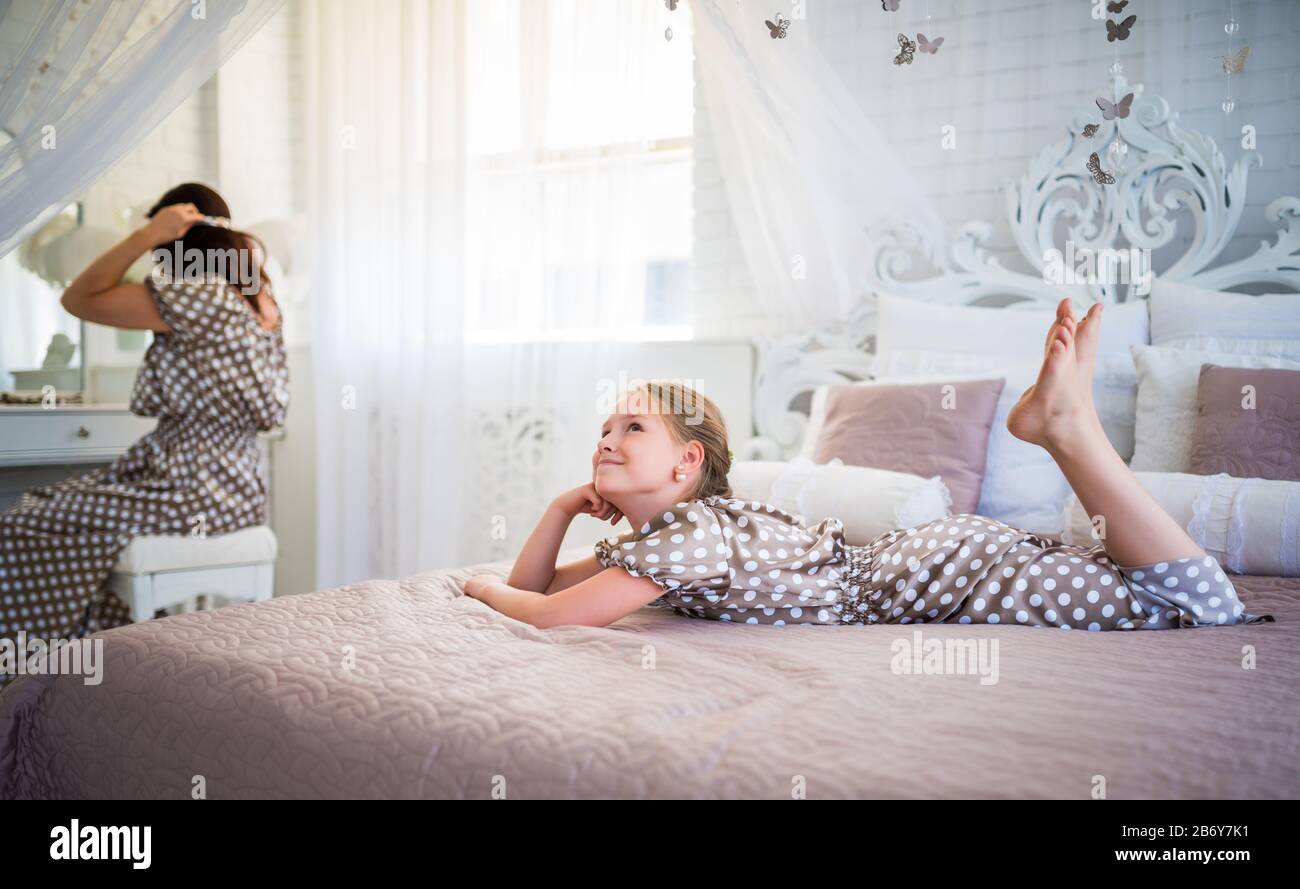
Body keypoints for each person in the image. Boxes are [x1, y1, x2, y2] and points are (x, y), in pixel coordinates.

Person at [464, 298, 1274, 630]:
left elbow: (542, 616)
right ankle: (1067, 423)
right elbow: (538, 587)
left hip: (914, 577)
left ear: (686, 463)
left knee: (1202, 604)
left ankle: (1068, 427)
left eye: (629, 426)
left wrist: (475, 587)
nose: (605, 438)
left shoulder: (689, 535)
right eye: (603, 427)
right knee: (1182, 594)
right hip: (932, 564)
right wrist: (565, 505)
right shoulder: (662, 541)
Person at [0, 183, 289, 685]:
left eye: (161, 247)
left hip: (193, 486)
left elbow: (78, 297)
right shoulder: (259, 299)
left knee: (22, 520)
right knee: (54, 505)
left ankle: (27, 671)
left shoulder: (199, 298)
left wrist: (144, 234)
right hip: (238, 487)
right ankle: (104, 666)